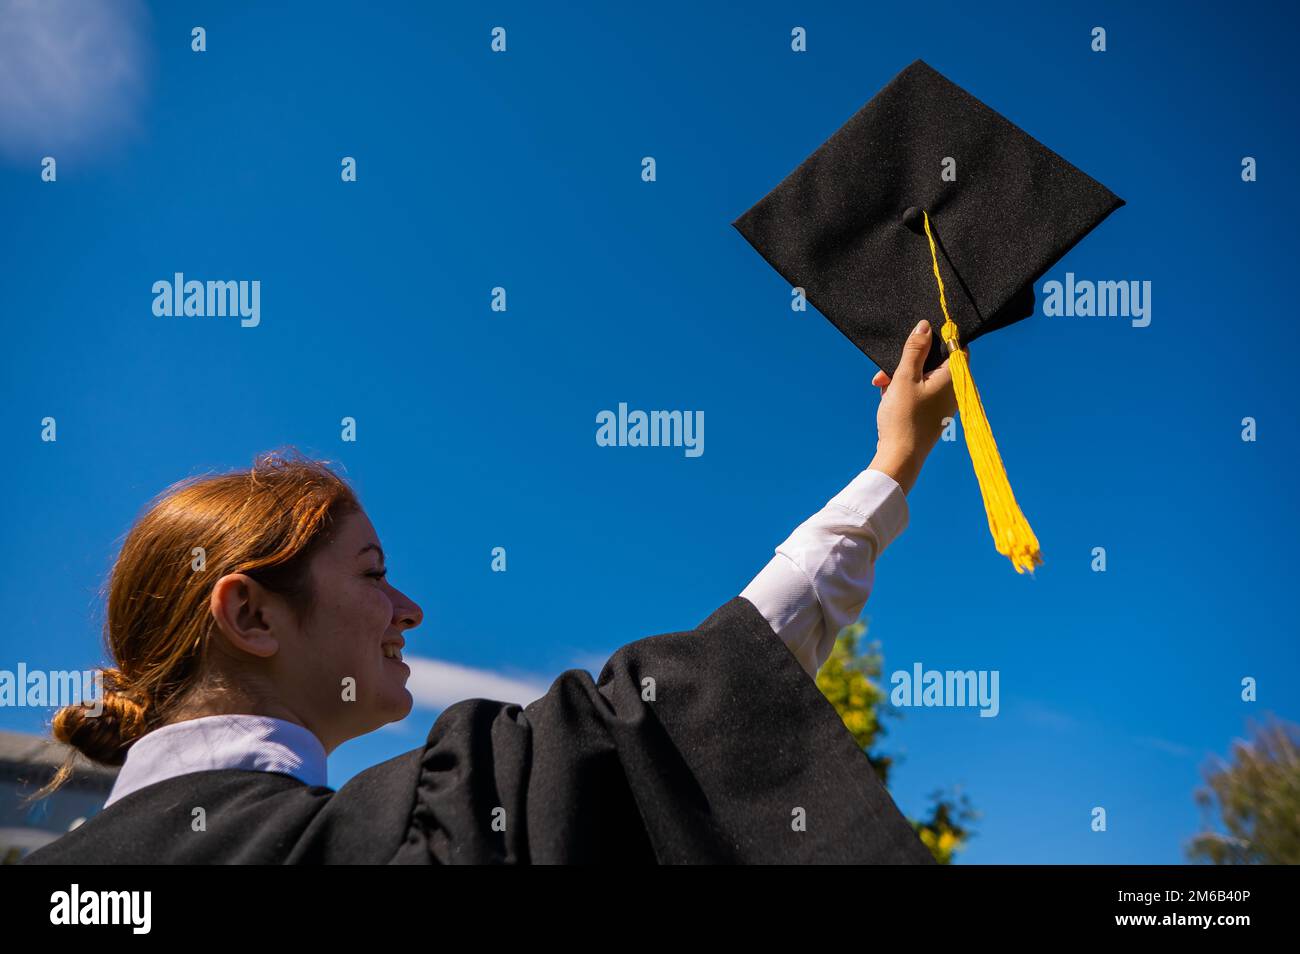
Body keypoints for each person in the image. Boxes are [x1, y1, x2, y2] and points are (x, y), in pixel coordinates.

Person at [23, 319, 955, 865]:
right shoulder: (393, 840)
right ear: (251, 614)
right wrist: (892, 469)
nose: (409, 612)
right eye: (373, 574)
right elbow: (661, 719)